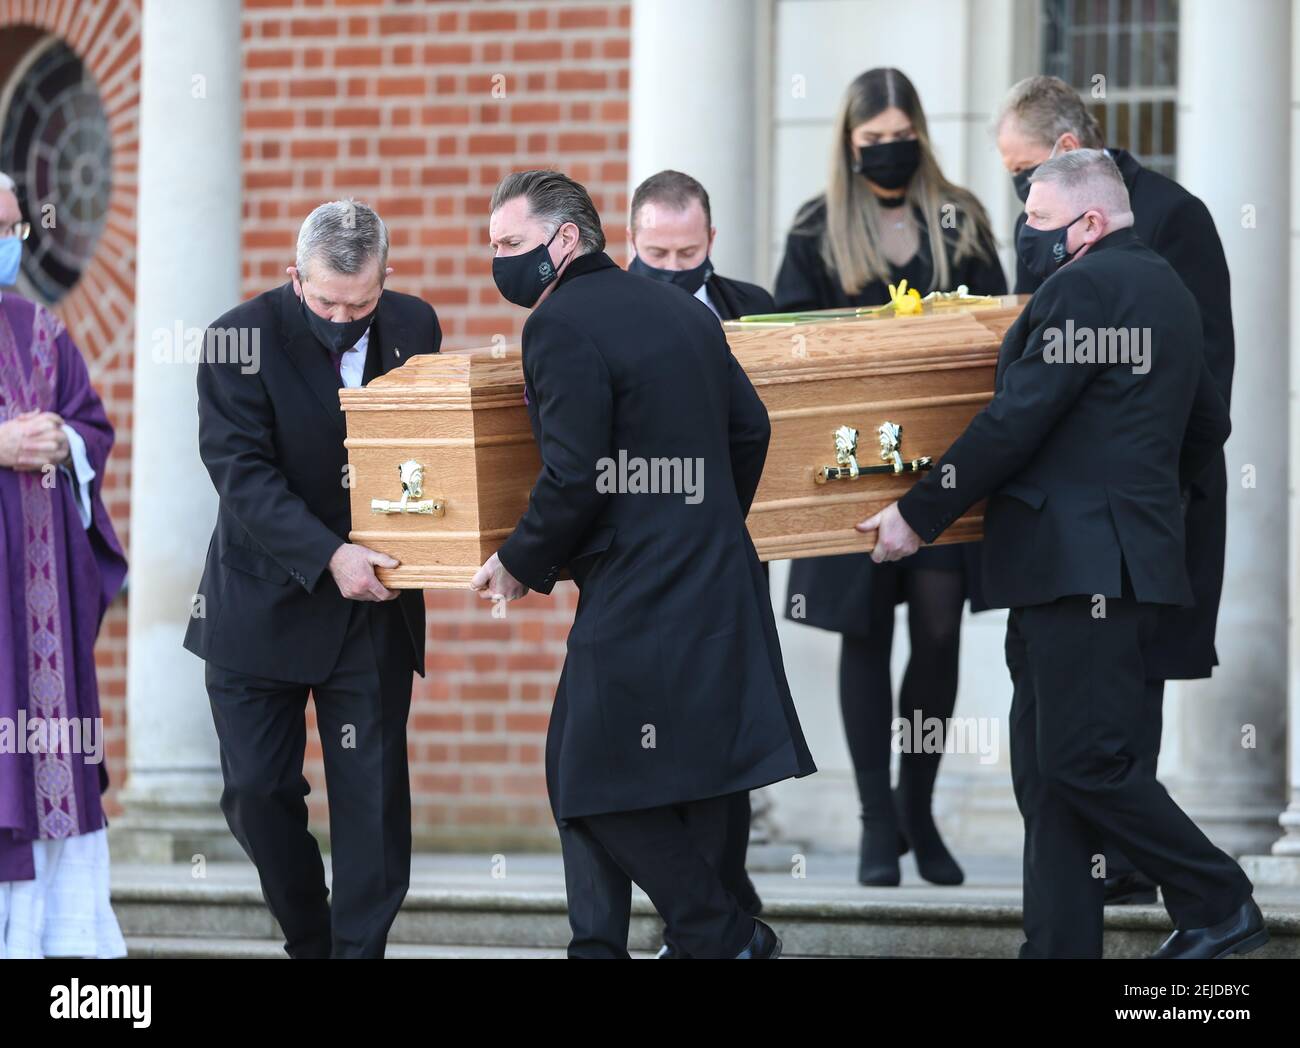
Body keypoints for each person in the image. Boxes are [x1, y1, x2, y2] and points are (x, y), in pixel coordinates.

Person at [863, 149, 1265, 960]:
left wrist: (918, 512)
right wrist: (1138, 499)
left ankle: (1218, 900)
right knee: (1050, 779)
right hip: (1111, 563)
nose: (1026, 232)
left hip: (1079, 568)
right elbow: (1206, 428)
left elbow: (1016, 418)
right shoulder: (1168, 291)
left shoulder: (1083, 289)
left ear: (1089, 222)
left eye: (1039, 220)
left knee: (1084, 764)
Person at [472, 169, 815, 959]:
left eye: (510, 244)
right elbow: (752, 429)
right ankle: (679, 939)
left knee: (585, 772)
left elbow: (575, 471)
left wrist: (521, 560)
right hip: (712, 567)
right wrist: (705, 519)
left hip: (638, 579)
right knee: (690, 768)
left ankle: (718, 933)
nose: (498, 261)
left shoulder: (557, 327)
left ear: (564, 240)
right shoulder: (678, 310)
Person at [995, 75, 1235, 906]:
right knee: (1052, 732)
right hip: (1061, 526)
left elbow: (1202, 392)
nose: (1016, 198)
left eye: (1021, 172)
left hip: (1139, 514)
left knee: (1114, 720)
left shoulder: (1173, 222)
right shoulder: (1054, 221)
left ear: (1065, 155)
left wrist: (1131, 492)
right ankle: (1067, 901)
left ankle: (1153, 875)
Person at [183, 200, 441, 959]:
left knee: (372, 805)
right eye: (326, 300)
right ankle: (312, 939)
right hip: (262, 597)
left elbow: (427, 447)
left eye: (361, 302)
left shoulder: (415, 327)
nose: (343, 316)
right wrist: (332, 556)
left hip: (375, 606)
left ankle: (358, 954)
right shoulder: (239, 338)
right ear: (294, 277)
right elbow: (242, 473)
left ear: (385, 281)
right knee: (257, 796)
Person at [775, 67, 1006, 888]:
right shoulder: (816, 227)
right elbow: (787, 339)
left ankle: (918, 806)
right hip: (848, 464)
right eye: (872, 141)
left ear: (921, 132)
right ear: (849, 143)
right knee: (865, 635)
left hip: (943, 463)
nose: (888, 150)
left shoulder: (962, 217)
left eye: (900, 135)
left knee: (939, 632)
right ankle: (877, 819)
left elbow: (996, 335)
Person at [626, 168, 767, 955]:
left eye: (687, 253)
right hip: (643, 570)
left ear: (711, 241)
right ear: (631, 242)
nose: (674, 268)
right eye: (657, 252)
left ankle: (719, 911)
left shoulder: (759, 310)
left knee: (725, 745)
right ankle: (704, 918)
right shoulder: (609, 319)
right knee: (644, 747)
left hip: (730, 560)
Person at [0, 170, 128, 958]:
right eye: (0, 227)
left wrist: (67, 444)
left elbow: (92, 425)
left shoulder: (41, 332)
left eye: (15, 227)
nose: (11, 243)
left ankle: (57, 951)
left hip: (32, 603)